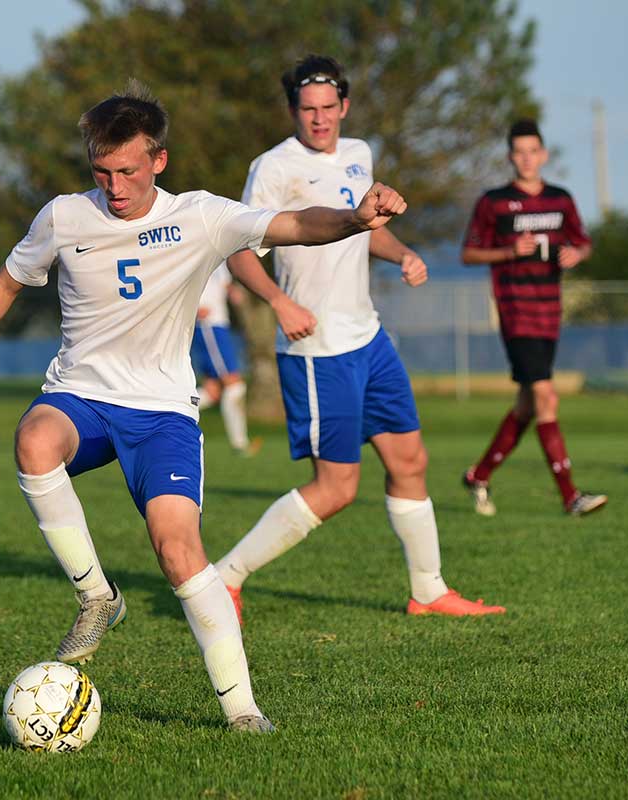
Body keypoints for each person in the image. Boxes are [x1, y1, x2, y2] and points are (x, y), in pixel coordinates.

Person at [0, 80, 410, 733]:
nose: (114, 186)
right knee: (34, 439)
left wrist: (355, 219)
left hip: (162, 413)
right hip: (81, 397)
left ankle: (242, 710)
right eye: (102, 171)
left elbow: (291, 224)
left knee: (177, 551)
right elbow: (6, 282)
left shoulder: (200, 216)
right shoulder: (64, 216)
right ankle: (97, 597)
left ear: (159, 160)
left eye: (128, 171)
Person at [216, 55, 505, 623]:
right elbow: (237, 250)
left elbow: (365, 229)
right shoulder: (273, 167)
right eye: (308, 109)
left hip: (368, 339)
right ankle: (225, 577)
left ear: (344, 106)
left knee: (410, 459)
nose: (320, 119)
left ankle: (428, 591)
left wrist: (403, 253)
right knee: (337, 488)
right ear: (293, 111)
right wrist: (279, 302)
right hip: (317, 349)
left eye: (329, 107)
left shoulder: (359, 153)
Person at [460, 120, 606, 518]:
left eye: (532, 151)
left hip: (549, 310)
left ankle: (478, 475)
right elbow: (468, 253)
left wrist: (576, 254)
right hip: (515, 310)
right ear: (510, 157)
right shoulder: (494, 202)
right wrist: (510, 251)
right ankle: (570, 496)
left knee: (527, 405)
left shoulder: (561, 199)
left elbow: (583, 243)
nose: (526, 159)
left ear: (543, 155)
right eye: (519, 152)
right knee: (546, 397)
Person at [191, 263, 254, 452]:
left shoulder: (221, 256)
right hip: (208, 324)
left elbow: (224, 282)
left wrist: (234, 291)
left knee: (212, 392)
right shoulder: (192, 250)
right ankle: (240, 444)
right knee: (234, 384)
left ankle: (167, 412)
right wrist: (194, 307)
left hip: (220, 323)